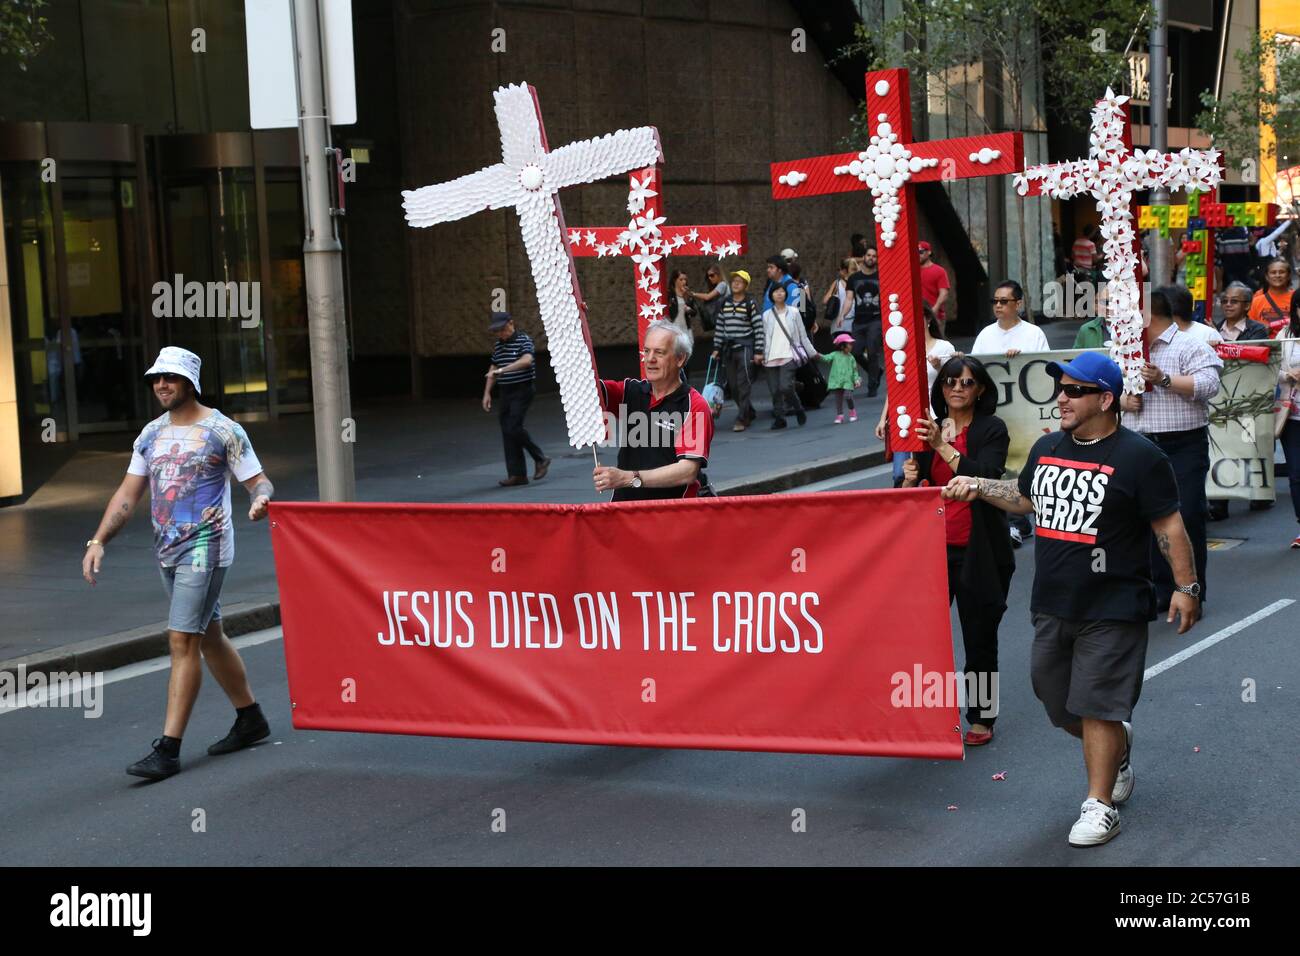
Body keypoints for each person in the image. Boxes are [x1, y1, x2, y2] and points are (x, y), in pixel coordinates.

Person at [941, 351, 1201, 846]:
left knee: (1097, 703)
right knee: (1057, 700)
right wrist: (976, 484)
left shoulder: (1141, 457)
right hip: (1053, 602)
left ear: (1105, 399)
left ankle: (1099, 805)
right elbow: (1023, 498)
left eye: (1075, 390)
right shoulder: (1047, 448)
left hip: (1115, 604)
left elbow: (1169, 524)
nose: (1062, 397)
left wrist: (1186, 588)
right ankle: (1118, 747)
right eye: (1061, 388)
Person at [81, 347, 274, 781]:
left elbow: (258, 479)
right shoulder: (150, 434)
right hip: (167, 549)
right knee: (210, 636)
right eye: (156, 379)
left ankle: (167, 749)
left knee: (181, 640)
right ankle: (251, 718)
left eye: (170, 377)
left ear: (191, 382)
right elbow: (128, 494)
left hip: (206, 548)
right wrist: (98, 540)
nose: (161, 385)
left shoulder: (223, 430)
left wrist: (261, 497)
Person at [901, 356, 1014, 745]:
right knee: (921, 636)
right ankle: (923, 713)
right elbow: (907, 495)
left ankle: (982, 717)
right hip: (933, 549)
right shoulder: (929, 430)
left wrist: (941, 446)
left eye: (967, 382)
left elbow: (986, 478)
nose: (957, 388)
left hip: (980, 550)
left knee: (979, 636)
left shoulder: (992, 429)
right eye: (950, 381)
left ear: (980, 389)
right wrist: (910, 480)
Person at [1120, 286, 1222, 610]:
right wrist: (1125, 400)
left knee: (1187, 513)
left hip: (1182, 444)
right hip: (1138, 444)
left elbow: (1208, 386)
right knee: (1145, 517)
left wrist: (1165, 379)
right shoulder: (1127, 349)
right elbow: (1107, 393)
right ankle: (1159, 588)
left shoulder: (1190, 344)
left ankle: (1190, 588)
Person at [593, 320, 713, 500]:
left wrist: (629, 478)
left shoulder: (694, 405)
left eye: (659, 352)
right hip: (625, 509)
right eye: (647, 351)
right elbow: (587, 389)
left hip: (671, 513)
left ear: (680, 359)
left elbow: (688, 470)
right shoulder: (630, 391)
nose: (650, 359)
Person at [876, 305, 955, 484]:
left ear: (928, 319)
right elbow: (896, 387)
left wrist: (938, 367)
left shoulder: (944, 347)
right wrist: (884, 418)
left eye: (915, 318)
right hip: (906, 419)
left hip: (940, 418)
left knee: (941, 473)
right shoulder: (901, 352)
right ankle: (907, 510)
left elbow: (955, 382)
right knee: (900, 474)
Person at [483, 312, 550, 488]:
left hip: (522, 389)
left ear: (511, 323)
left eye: (502, 329)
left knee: (513, 426)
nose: (500, 334)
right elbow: (493, 367)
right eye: (497, 331)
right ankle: (517, 473)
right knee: (507, 430)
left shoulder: (523, 340)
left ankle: (540, 458)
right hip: (505, 391)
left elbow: (527, 360)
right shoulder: (499, 346)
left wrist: (503, 371)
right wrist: (487, 393)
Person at [710, 269, 764, 432]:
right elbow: (720, 327)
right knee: (732, 386)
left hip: (745, 347)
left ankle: (742, 418)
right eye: (733, 281)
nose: (735, 284)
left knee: (743, 384)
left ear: (745, 285)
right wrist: (716, 348)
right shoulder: (724, 303)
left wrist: (759, 351)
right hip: (728, 349)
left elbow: (758, 328)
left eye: (739, 282)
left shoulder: (750, 303)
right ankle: (749, 411)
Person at [762, 282, 815, 429]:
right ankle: (780, 418)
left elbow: (803, 336)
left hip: (789, 354)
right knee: (774, 390)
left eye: (781, 291)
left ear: (785, 294)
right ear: (771, 295)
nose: (779, 293)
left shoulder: (794, 312)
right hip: (771, 356)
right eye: (776, 291)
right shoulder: (766, 315)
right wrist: (760, 354)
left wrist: (813, 353)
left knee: (785, 386)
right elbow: (764, 336)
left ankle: (798, 408)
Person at [1276, 298, 1300, 549]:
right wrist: (1288, 375)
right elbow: (1274, 367)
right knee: (1296, 473)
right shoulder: (1286, 334)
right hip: (1291, 414)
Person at [972, 280, 1050, 357]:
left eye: (1003, 301)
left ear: (1018, 304)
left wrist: (1020, 359)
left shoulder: (1035, 333)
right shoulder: (985, 334)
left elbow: (1044, 364)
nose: (998, 305)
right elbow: (974, 365)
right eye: (995, 301)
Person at [846, 246, 882, 395]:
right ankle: (875, 372)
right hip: (859, 321)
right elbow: (849, 299)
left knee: (873, 351)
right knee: (854, 351)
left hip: (876, 320)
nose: (871, 258)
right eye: (869, 255)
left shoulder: (881, 276)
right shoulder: (854, 278)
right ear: (864, 257)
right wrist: (843, 315)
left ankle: (872, 384)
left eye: (874, 256)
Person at [820, 333, 862, 424]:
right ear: (842, 346)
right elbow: (826, 358)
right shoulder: (834, 355)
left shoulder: (851, 358)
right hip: (837, 381)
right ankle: (840, 415)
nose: (851, 346)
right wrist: (817, 355)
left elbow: (855, 370)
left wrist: (856, 379)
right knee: (838, 399)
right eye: (849, 344)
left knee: (848, 396)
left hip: (847, 381)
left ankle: (852, 412)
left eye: (851, 344)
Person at [1249, 258, 1295, 327]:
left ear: (1288, 276)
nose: (1277, 275)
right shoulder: (1256, 302)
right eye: (1273, 272)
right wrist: (1260, 330)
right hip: (1265, 337)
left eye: (1282, 272)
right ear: (1267, 277)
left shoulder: (1296, 297)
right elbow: (1250, 328)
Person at [917, 240, 951, 332]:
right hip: (917, 317)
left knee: (938, 344)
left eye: (921, 252)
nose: (918, 254)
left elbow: (944, 294)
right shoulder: (913, 271)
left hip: (936, 316)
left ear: (929, 252)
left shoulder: (939, 271)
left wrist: (934, 310)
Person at [823, 257, 855, 335]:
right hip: (853, 323)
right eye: (854, 269)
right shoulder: (857, 282)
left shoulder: (837, 283)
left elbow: (825, 300)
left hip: (838, 324)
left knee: (841, 346)